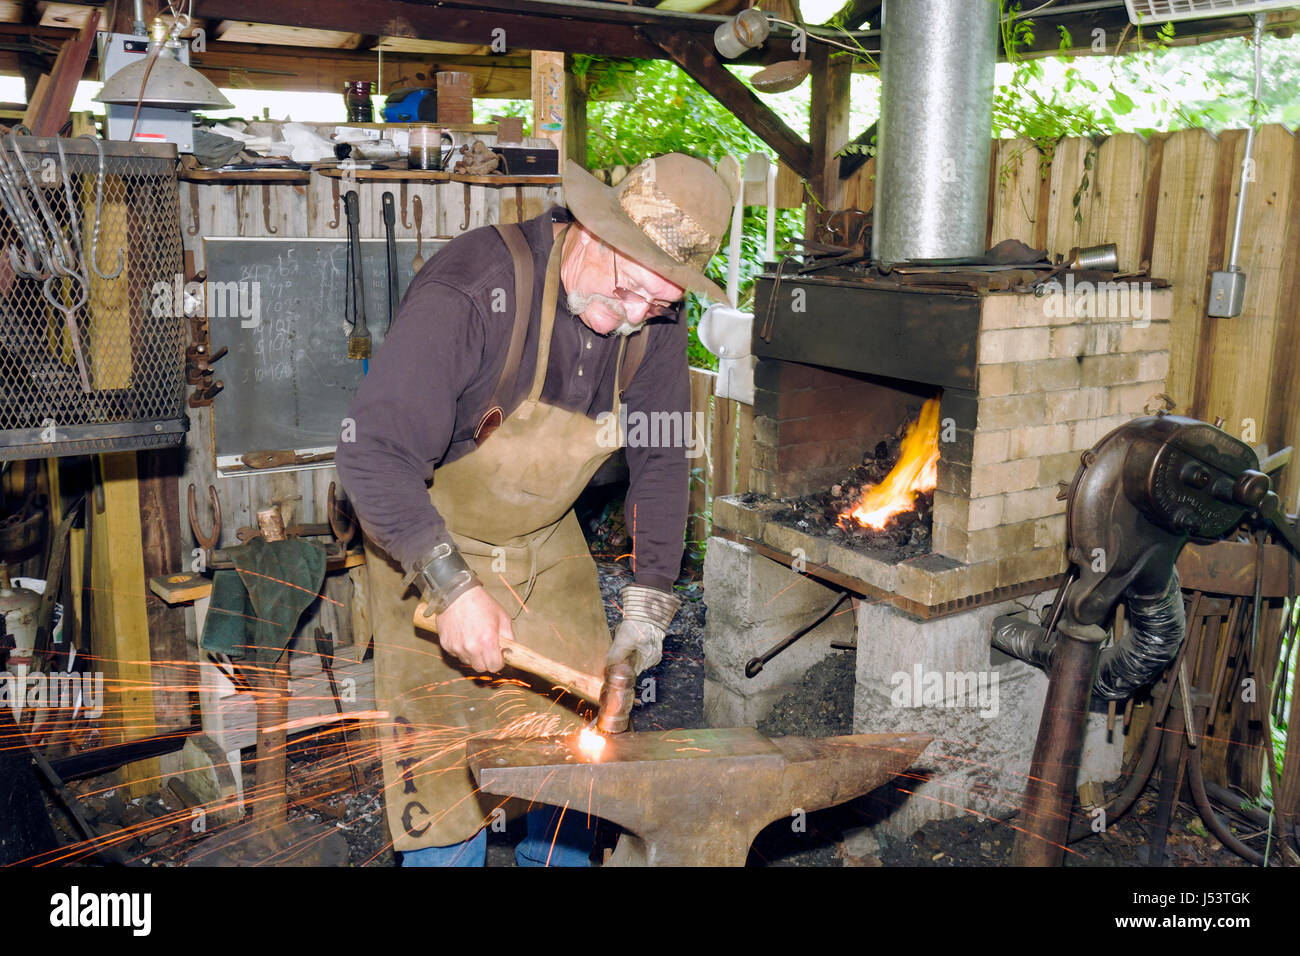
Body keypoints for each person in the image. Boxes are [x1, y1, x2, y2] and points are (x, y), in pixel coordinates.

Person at [336, 153, 734, 866]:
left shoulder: (652, 322)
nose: (636, 318)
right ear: (592, 228)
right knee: (446, 787)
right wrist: (454, 589)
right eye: (630, 289)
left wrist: (649, 605)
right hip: (426, 537)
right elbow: (372, 454)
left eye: (662, 303)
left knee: (576, 779)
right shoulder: (476, 287)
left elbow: (663, 464)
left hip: (547, 546)